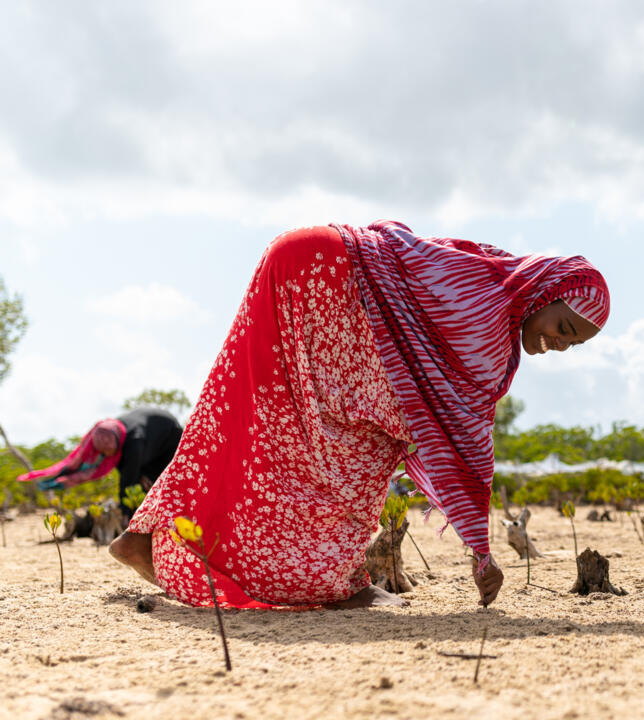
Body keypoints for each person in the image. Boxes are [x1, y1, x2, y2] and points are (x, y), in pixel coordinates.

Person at [109, 221, 609, 609]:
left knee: (241, 413)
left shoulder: (486, 272)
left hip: (304, 256)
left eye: (573, 343)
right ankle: (338, 583)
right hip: (329, 280)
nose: (560, 342)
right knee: (366, 441)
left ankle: (142, 537)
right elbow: (462, 438)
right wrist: (481, 549)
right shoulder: (489, 316)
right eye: (563, 325)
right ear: (544, 292)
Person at [18, 407, 183, 520]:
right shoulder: (110, 429)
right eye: (102, 452)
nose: (104, 456)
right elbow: (123, 467)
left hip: (168, 440)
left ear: (117, 444)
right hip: (149, 438)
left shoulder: (134, 441)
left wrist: (125, 509)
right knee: (137, 478)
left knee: (153, 484)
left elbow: (128, 479)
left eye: (107, 452)